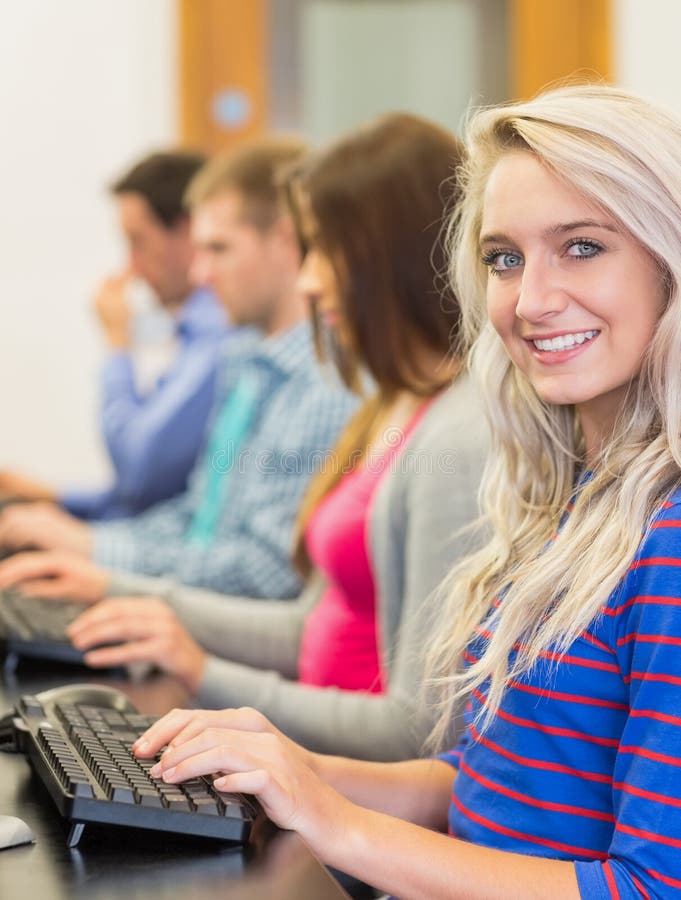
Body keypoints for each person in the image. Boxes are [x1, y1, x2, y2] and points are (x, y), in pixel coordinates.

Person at [124, 84, 681, 898]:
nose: (529, 301)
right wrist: (296, 769)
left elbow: (650, 886)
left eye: (582, 247)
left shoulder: (665, 533)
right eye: (504, 259)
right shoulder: (578, 501)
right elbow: (486, 790)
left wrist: (331, 818)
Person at [0, 114, 488, 761]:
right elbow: (306, 623)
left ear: (388, 257)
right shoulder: (385, 408)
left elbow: (415, 728)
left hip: (336, 770)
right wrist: (125, 593)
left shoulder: (438, 433)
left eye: (323, 250)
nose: (309, 279)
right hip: (311, 748)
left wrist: (195, 664)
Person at [0, 139, 357, 597]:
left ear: (286, 241)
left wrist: (94, 553)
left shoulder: (326, 383)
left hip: (217, 629)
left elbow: (265, 572)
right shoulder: (245, 361)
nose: (199, 275)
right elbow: (197, 517)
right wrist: (91, 545)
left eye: (219, 249)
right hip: (190, 608)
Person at [0, 151, 229, 520]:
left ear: (187, 230)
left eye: (138, 242)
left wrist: (117, 344)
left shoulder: (220, 333)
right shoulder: (198, 331)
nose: (131, 266)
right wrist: (59, 499)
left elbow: (140, 473)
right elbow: (155, 492)